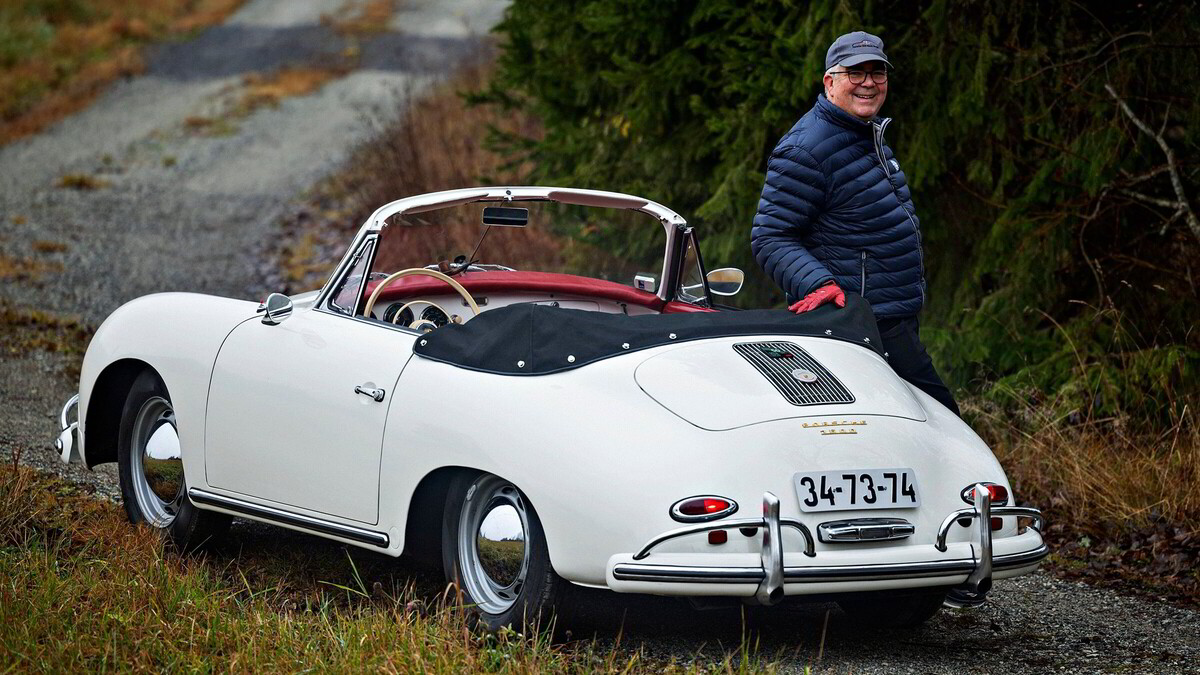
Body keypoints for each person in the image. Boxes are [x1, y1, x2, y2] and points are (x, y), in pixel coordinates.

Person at [750, 30, 960, 416]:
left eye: (877, 73)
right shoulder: (806, 148)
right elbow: (771, 235)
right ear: (830, 81)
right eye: (855, 73)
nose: (868, 83)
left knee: (900, 426)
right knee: (940, 419)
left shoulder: (866, 134)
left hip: (889, 315)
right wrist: (819, 285)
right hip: (858, 323)